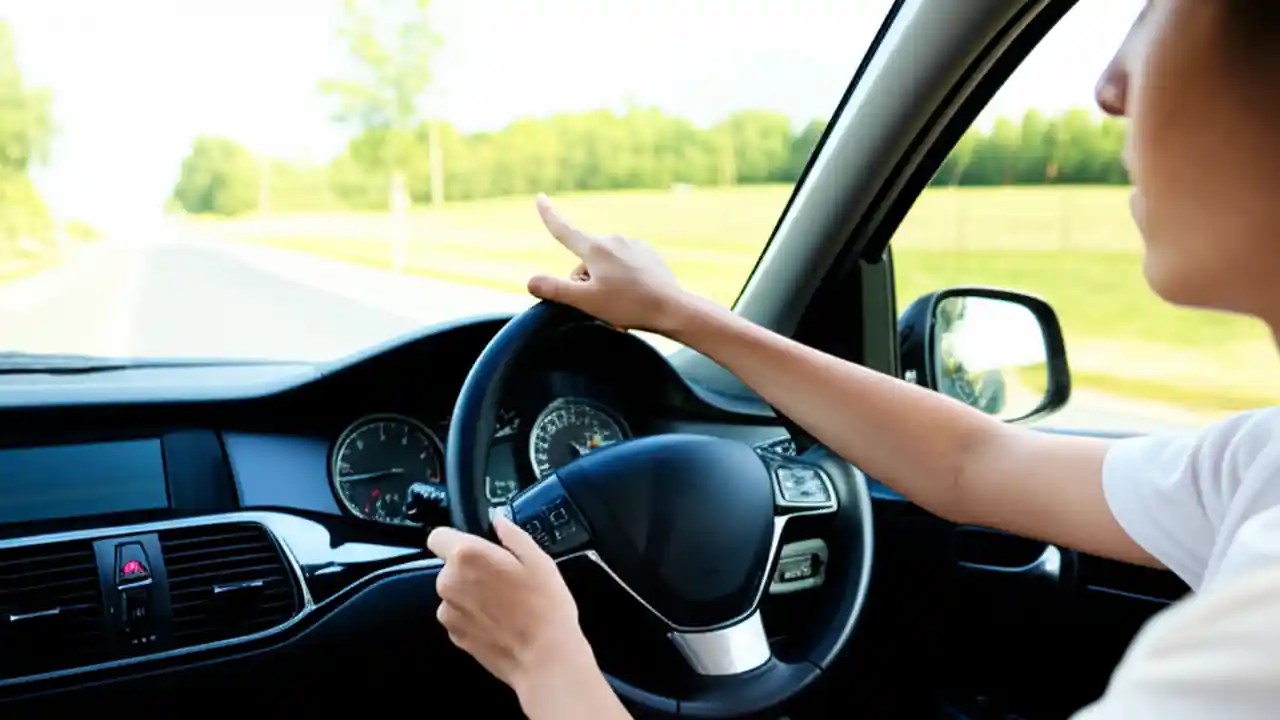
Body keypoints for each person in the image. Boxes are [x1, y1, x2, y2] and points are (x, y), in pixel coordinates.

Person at [426, 1, 1280, 717]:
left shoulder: (1248, 657)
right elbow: (975, 458)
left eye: (1160, 6)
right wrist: (679, 316)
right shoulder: (1262, 467)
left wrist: (546, 660)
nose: (1110, 86)